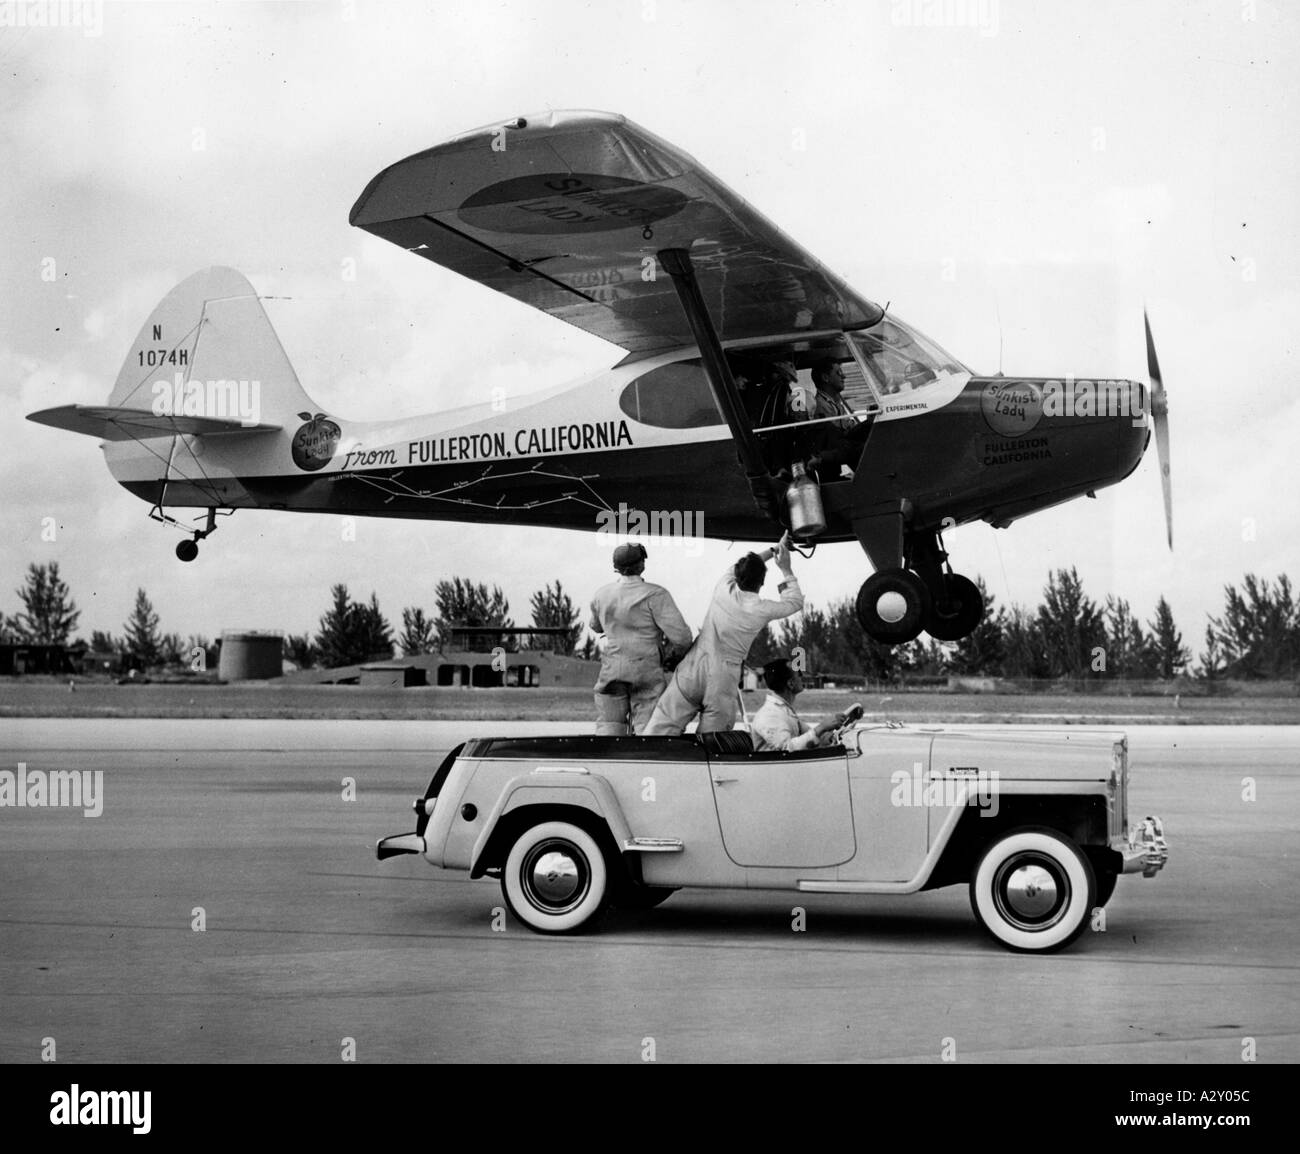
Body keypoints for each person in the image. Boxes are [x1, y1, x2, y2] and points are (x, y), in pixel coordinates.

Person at [642, 532, 804, 735]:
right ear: (762, 582)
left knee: (658, 731)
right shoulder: (761, 609)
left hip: (692, 669)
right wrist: (786, 568)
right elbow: (795, 602)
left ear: (737, 576)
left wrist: (773, 550)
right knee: (711, 744)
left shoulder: (723, 588)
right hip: (723, 678)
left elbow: (739, 565)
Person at [589, 542, 693, 736]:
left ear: (616, 567)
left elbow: (595, 626)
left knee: (608, 727)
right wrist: (672, 658)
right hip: (646, 669)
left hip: (612, 668)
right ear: (641, 564)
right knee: (649, 732)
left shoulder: (601, 594)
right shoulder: (656, 594)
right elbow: (682, 638)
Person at [751, 657, 856, 751]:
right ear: (791, 684)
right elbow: (786, 749)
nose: (802, 676)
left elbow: (811, 737)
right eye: (799, 674)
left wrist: (834, 732)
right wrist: (822, 726)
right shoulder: (770, 715)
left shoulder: (784, 711)